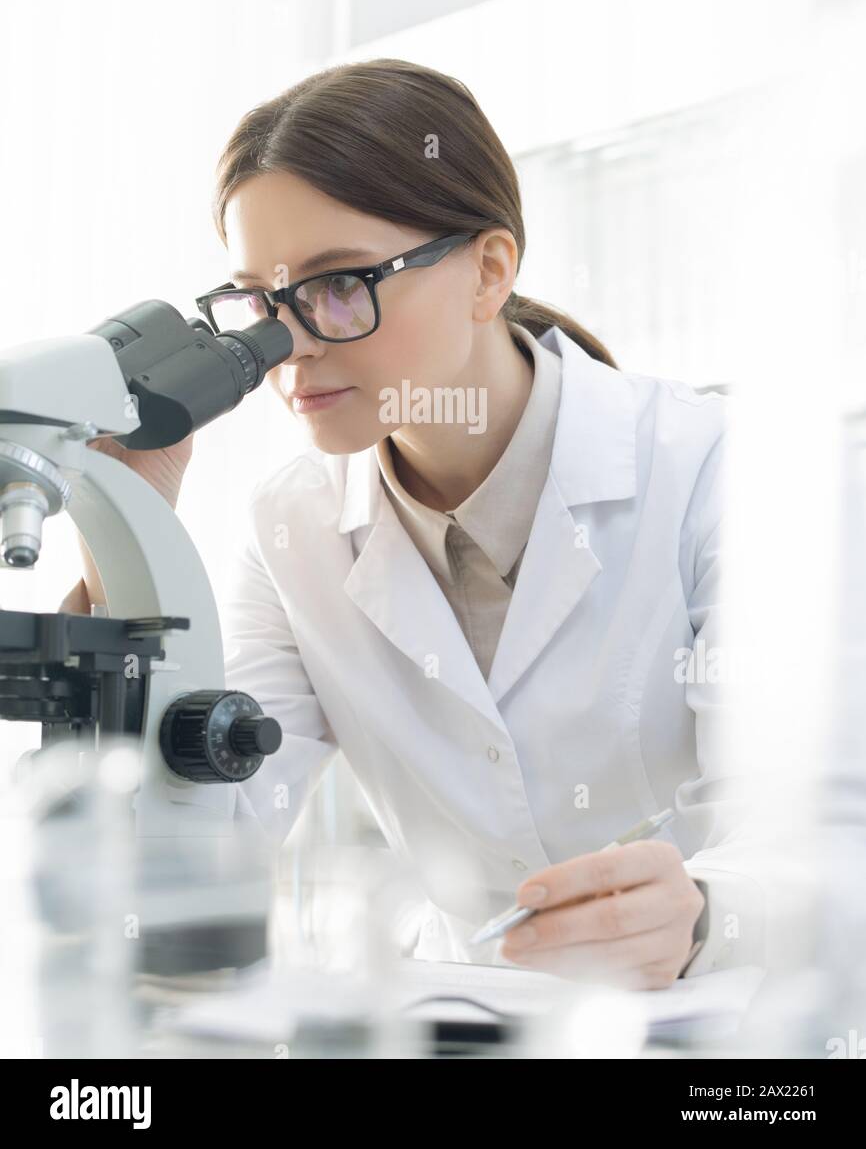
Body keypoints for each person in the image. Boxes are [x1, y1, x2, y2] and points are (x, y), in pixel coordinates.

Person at [65, 58, 766, 989]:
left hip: (725, 1032)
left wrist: (707, 915)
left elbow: (824, 830)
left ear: (488, 269)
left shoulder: (718, 470)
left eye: (339, 284)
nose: (291, 347)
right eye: (261, 305)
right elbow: (197, 855)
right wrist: (125, 527)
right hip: (468, 1022)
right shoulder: (290, 530)